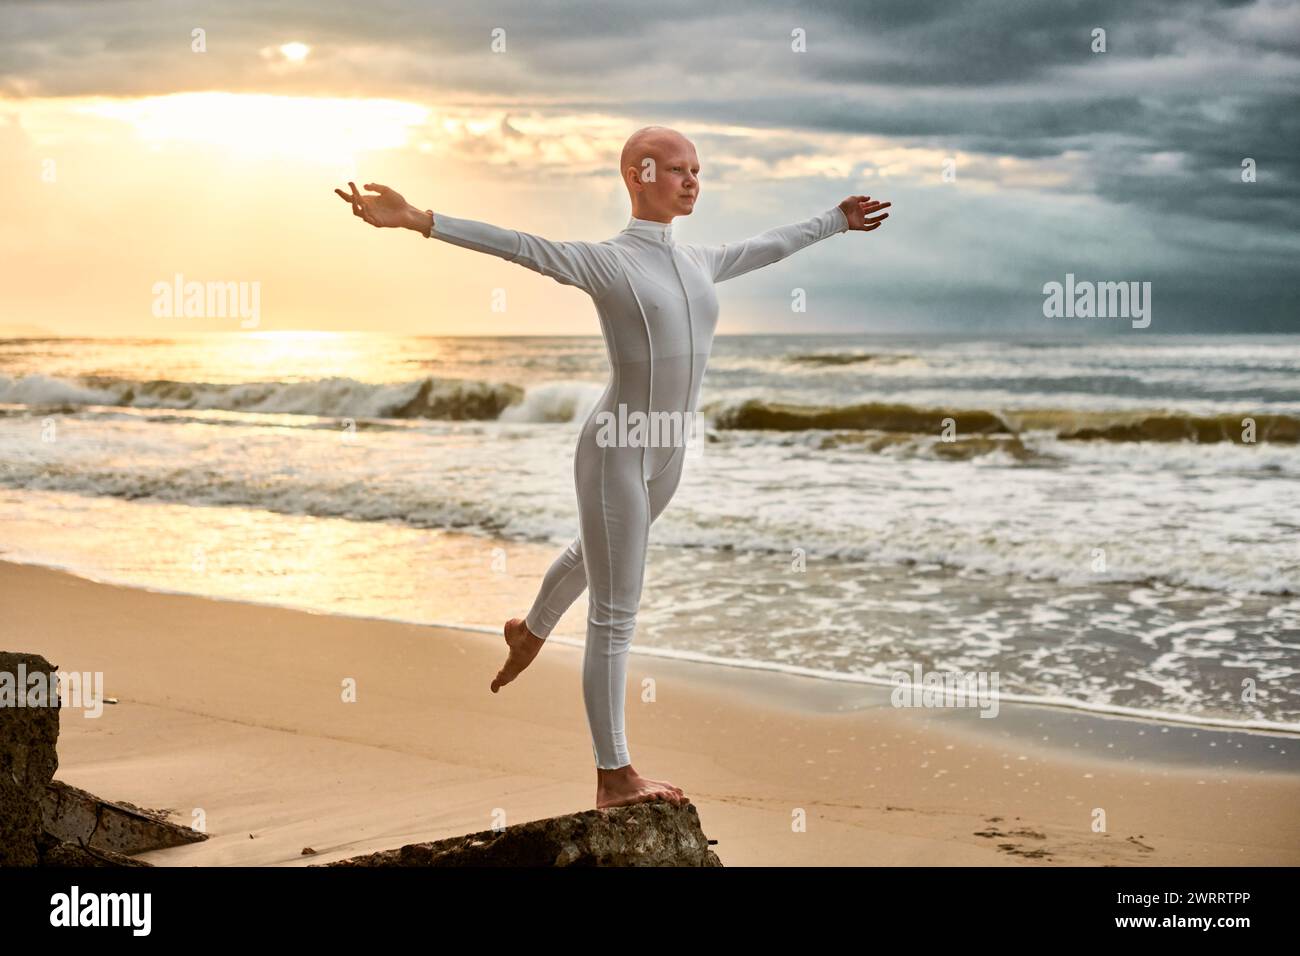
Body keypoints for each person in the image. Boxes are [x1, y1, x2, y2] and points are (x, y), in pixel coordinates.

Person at [335, 126, 890, 809]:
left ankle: (530, 628)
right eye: (678, 169)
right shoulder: (609, 263)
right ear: (639, 174)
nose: (692, 180)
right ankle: (613, 777)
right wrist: (420, 220)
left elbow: (769, 246)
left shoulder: (699, 261)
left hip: (668, 453)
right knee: (616, 612)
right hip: (616, 448)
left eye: (697, 170)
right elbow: (521, 247)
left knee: (593, 556)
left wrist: (835, 221)